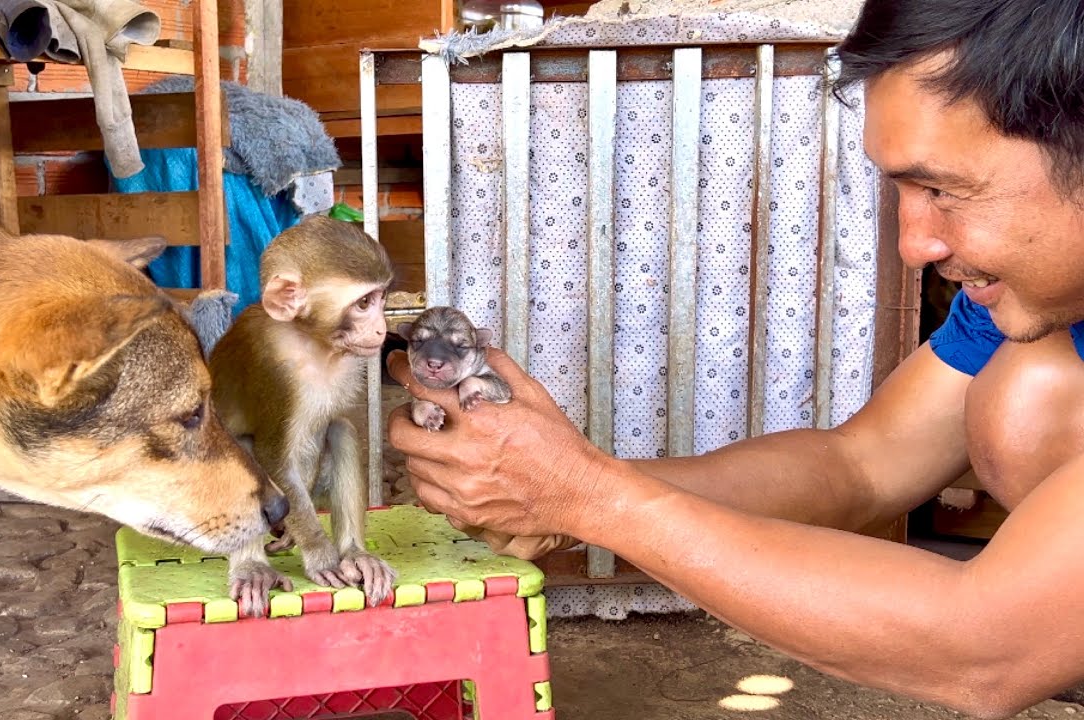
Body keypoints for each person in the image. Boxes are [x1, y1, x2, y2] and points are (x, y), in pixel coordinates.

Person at [385, 1, 1084, 717]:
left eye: (943, 189)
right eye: (901, 190)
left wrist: (591, 495)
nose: (916, 246)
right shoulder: (1025, 297)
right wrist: (563, 491)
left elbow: (980, 647)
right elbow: (863, 464)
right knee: (1030, 391)